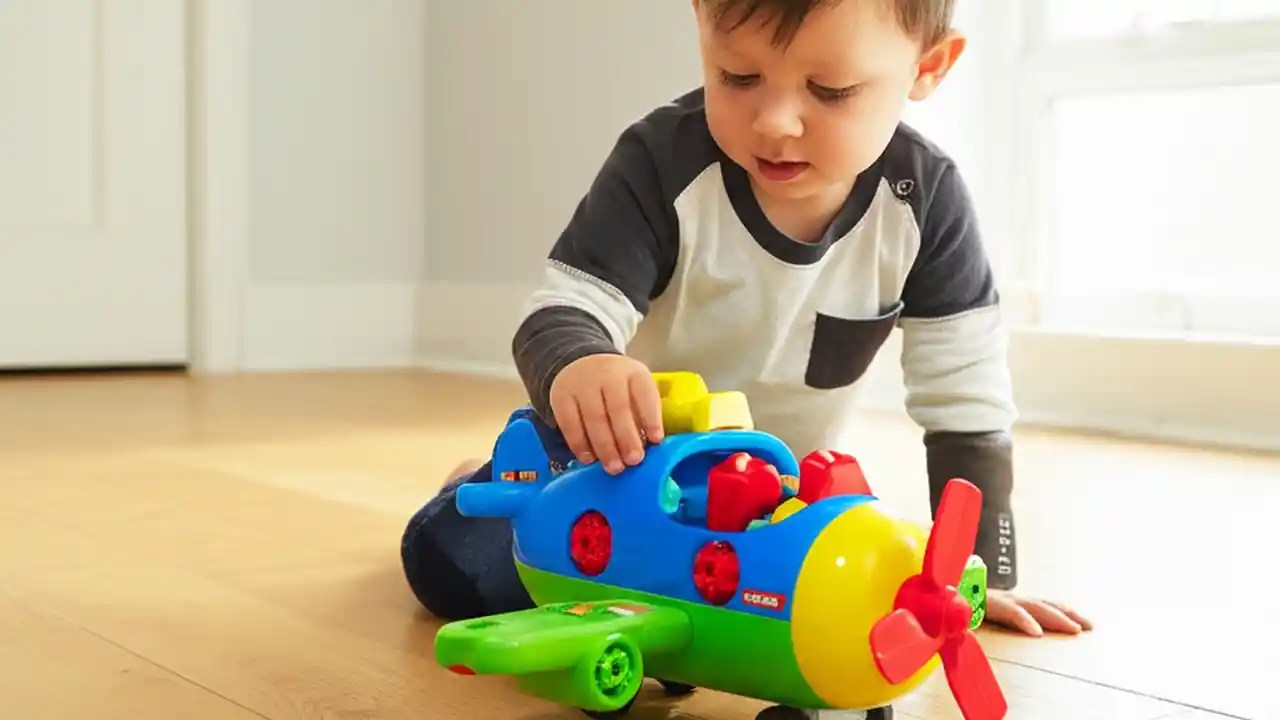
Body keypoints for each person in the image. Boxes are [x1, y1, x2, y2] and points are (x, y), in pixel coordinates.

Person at [403, 0, 1091, 717]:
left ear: (927, 68)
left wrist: (979, 571)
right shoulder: (660, 163)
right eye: (738, 76)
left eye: (830, 92)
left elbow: (967, 399)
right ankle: (477, 484)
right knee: (462, 573)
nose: (774, 122)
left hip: (774, 494)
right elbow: (563, 310)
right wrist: (582, 365)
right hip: (609, 463)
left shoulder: (927, 203)